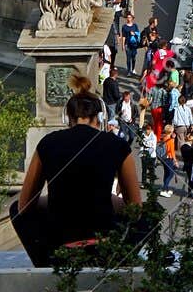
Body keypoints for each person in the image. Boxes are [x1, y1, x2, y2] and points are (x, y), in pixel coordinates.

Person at [10, 75, 142, 267]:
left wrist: (57, 200)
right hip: (103, 243)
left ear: (67, 118)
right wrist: (109, 199)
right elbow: (135, 208)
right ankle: (123, 260)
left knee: (14, 210)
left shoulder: (48, 144)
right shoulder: (117, 145)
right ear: (100, 118)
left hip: (60, 243)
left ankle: (43, 262)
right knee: (151, 211)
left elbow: (24, 206)